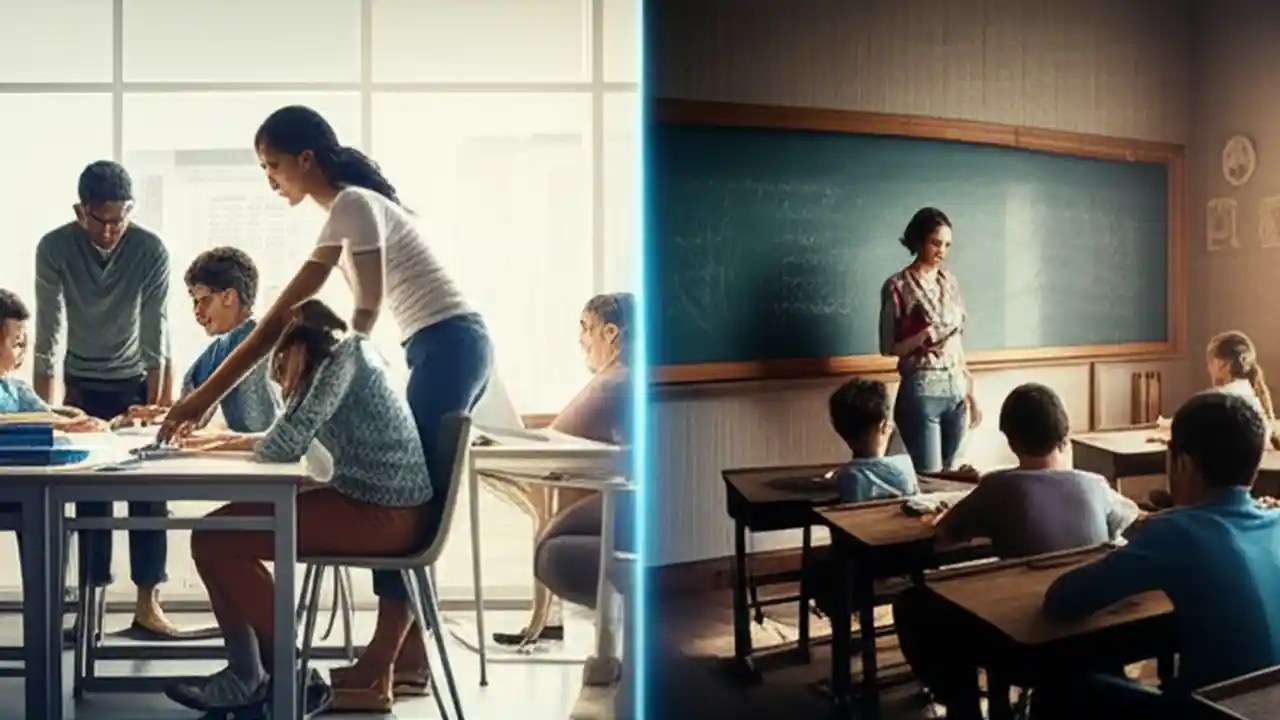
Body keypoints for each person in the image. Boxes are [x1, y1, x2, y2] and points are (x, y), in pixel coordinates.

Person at [156, 105, 492, 708]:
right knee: (406, 493)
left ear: (306, 158)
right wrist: (201, 400)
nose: (270, 179)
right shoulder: (345, 213)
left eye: (274, 165)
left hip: (449, 343)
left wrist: (350, 358)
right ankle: (396, 663)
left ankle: (380, 667)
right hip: (441, 344)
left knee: (412, 501)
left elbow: (369, 300)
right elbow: (270, 329)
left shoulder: (353, 204)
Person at [163, 300, 434, 714]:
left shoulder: (342, 360)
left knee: (216, 540)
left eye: (279, 363)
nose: (281, 378)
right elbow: (280, 437)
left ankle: (283, 675)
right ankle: (250, 675)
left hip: (384, 514)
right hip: (370, 500)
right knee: (211, 536)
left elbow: (285, 443)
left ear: (297, 345)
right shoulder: (345, 356)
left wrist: (227, 443)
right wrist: (213, 443)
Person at [891, 383, 1140, 720]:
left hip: (1026, 643)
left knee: (912, 603)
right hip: (1096, 633)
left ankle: (962, 704)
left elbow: (945, 534)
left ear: (1010, 440)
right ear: (1065, 434)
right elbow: (1130, 517)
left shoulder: (998, 487)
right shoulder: (1094, 484)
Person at [1039, 392, 1280, 717]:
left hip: (1214, 711)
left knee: (1056, 685)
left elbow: (1063, 600)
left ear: (1182, 463)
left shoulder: (1177, 532)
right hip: (1266, 706)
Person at [33, 159, 178, 638]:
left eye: (122, 218)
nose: (113, 230)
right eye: (103, 220)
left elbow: (157, 331)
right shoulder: (55, 248)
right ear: (81, 211)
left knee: (148, 497)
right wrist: (41, 416)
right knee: (91, 499)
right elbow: (48, 336)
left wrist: (157, 411)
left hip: (134, 384)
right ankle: (90, 605)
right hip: (79, 388)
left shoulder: (150, 249)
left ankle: (146, 603)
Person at [490, 292, 634, 647]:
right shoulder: (615, 378)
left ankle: (548, 621)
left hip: (583, 478)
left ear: (611, 333)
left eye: (586, 328)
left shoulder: (621, 380)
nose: (581, 340)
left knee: (549, 535)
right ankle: (548, 620)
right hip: (572, 472)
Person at [122, 247, 281, 434]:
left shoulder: (254, 341)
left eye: (204, 300)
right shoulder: (221, 347)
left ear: (228, 297)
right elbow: (196, 405)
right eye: (195, 302)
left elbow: (259, 422)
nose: (197, 311)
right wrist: (165, 414)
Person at [878, 207, 981, 473]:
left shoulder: (950, 282)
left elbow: (957, 342)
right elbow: (888, 347)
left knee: (952, 475)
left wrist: (971, 393)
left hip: (955, 388)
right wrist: (923, 337)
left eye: (947, 245)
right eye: (936, 243)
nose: (942, 251)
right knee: (930, 476)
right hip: (922, 389)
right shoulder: (897, 286)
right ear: (919, 240)